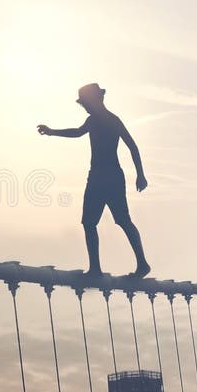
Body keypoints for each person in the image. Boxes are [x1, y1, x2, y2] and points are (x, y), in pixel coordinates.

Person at [36, 83, 151, 277]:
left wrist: (141, 175)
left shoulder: (112, 120)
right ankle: (96, 268)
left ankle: (142, 264)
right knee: (89, 223)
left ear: (97, 100)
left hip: (110, 176)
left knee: (122, 220)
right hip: (98, 176)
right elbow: (77, 132)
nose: (85, 107)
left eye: (86, 103)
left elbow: (132, 146)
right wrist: (52, 132)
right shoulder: (92, 121)